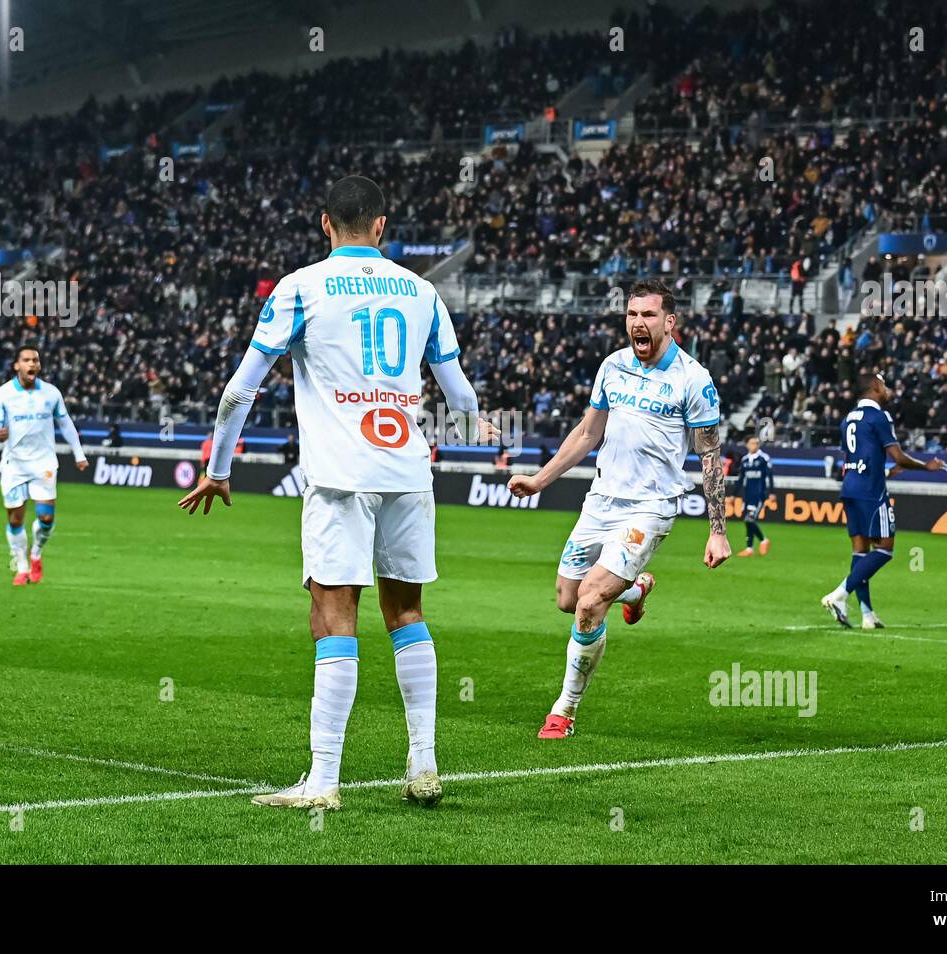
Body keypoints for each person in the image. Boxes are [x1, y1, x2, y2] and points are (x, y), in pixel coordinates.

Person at [178, 175, 495, 811]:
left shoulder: (300, 288)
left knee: (333, 616)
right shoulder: (422, 292)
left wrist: (218, 467)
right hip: (407, 470)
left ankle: (323, 782)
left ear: (326, 224)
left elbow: (239, 391)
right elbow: (460, 398)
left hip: (340, 477)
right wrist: (475, 427)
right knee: (407, 614)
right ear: (382, 225)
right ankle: (424, 766)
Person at [507, 278, 730, 739]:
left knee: (588, 604)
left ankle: (563, 711)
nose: (638, 323)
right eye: (632, 315)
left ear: (669, 322)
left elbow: (709, 456)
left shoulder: (693, 378)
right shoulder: (612, 366)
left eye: (648, 315)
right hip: (601, 502)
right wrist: (540, 480)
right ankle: (635, 590)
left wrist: (718, 530)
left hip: (649, 508)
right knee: (567, 600)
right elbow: (588, 434)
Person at [820, 371, 946, 628]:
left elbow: (855, 459)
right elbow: (898, 456)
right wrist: (926, 466)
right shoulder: (879, 416)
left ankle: (867, 615)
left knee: (860, 551)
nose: (887, 390)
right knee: (885, 548)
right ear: (875, 387)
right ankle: (839, 595)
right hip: (871, 492)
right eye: (885, 385)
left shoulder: (847, 420)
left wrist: (887, 472)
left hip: (850, 487)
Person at [0, 345, 89, 586]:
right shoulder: (2, 394)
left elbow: (66, 424)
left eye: (35, 360)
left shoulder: (51, 393)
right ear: (16, 365)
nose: (31, 364)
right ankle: (21, 567)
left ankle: (36, 554)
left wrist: (79, 453)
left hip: (43, 462)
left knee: (46, 518)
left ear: (39, 365)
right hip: (14, 465)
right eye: (26, 360)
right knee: (15, 520)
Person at [737, 435, 773, 556]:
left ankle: (764, 540)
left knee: (749, 519)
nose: (755, 445)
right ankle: (749, 549)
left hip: (758, 494)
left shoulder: (763, 458)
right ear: (747, 444)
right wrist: (733, 495)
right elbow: (741, 479)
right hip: (747, 495)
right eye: (752, 443)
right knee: (747, 520)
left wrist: (772, 492)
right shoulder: (745, 460)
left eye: (757, 443)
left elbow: (770, 476)